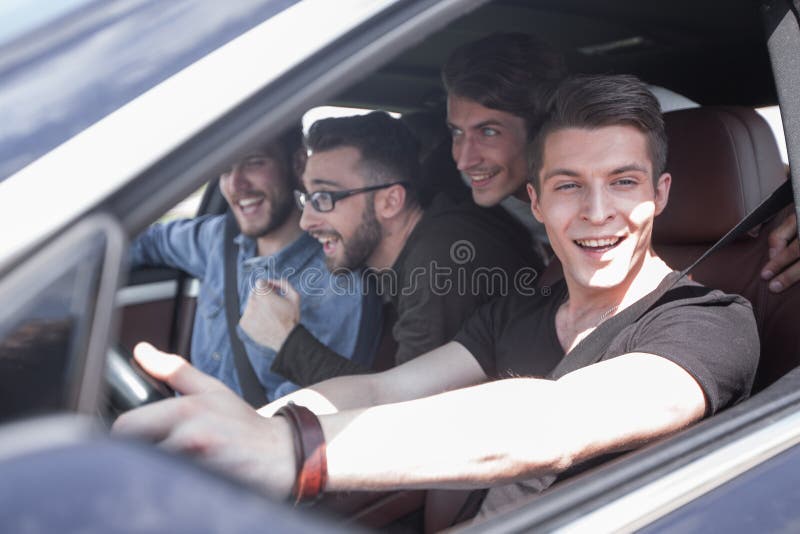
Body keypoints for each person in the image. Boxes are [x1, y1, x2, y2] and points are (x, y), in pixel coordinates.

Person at [113, 75, 759, 518]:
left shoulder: (710, 323)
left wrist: (296, 453)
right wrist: (258, 426)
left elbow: (556, 421)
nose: (596, 212)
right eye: (567, 186)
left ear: (661, 195)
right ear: (535, 201)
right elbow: (383, 391)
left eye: (623, 182)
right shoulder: (523, 311)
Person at [442, 32, 800, 292]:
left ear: (539, 126)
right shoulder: (483, 180)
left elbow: (749, 167)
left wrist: (792, 207)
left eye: (488, 132)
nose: (463, 159)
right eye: (457, 132)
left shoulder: (644, 120)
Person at [238, 112, 539, 385]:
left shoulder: (441, 263)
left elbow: (400, 411)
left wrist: (285, 340)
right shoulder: (429, 233)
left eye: (325, 198)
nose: (306, 221)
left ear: (390, 201)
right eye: (307, 198)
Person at [129, 125, 378, 402]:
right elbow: (144, 242)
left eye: (254, 162)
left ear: (297, 165)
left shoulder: (338, 283)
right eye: (225, 169)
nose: (235, 184)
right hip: (183, 422)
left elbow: (303, 412)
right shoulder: (217, 240)